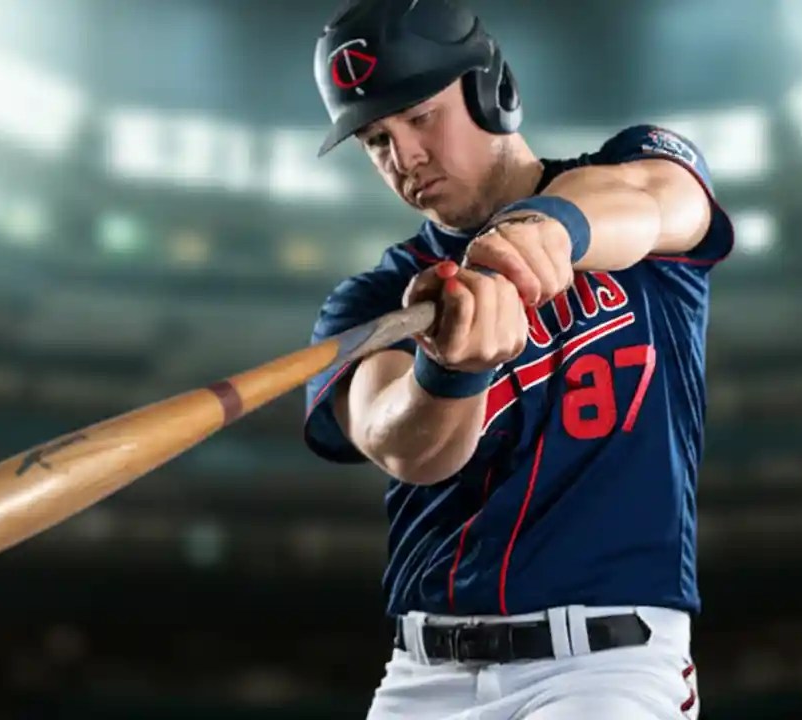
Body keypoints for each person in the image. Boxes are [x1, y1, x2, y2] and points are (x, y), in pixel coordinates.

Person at [302, 1, 734, 717]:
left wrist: (551, 228)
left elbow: (665, 202)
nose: (403, 158)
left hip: (605, 668)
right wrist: (448, 373)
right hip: (424, 674)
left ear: (489, 90)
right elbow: (398, 442)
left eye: (420, 116)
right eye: (376, 139)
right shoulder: (373, 299)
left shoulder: (630, 172)